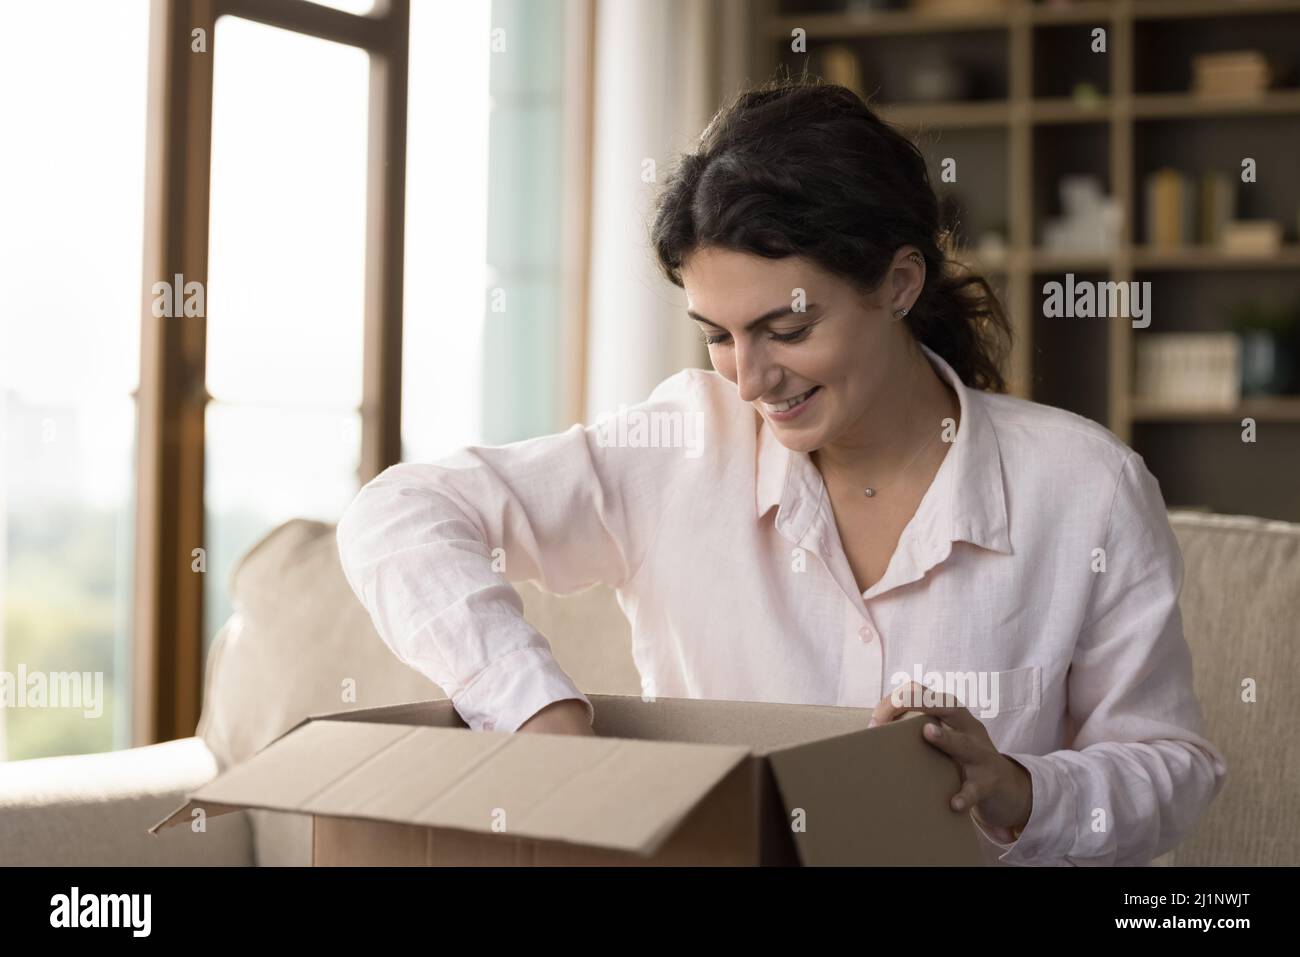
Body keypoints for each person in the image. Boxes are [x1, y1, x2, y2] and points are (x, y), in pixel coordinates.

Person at [336, 76, 1226, 866]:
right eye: (718, 335)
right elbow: (400, 515)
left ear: (900, 283)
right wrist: (537, 710)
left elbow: (1171, 767)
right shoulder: (677, 448)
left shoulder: (1085, 487)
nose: (751, 380)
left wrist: (1015, 787)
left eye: (788, 330)